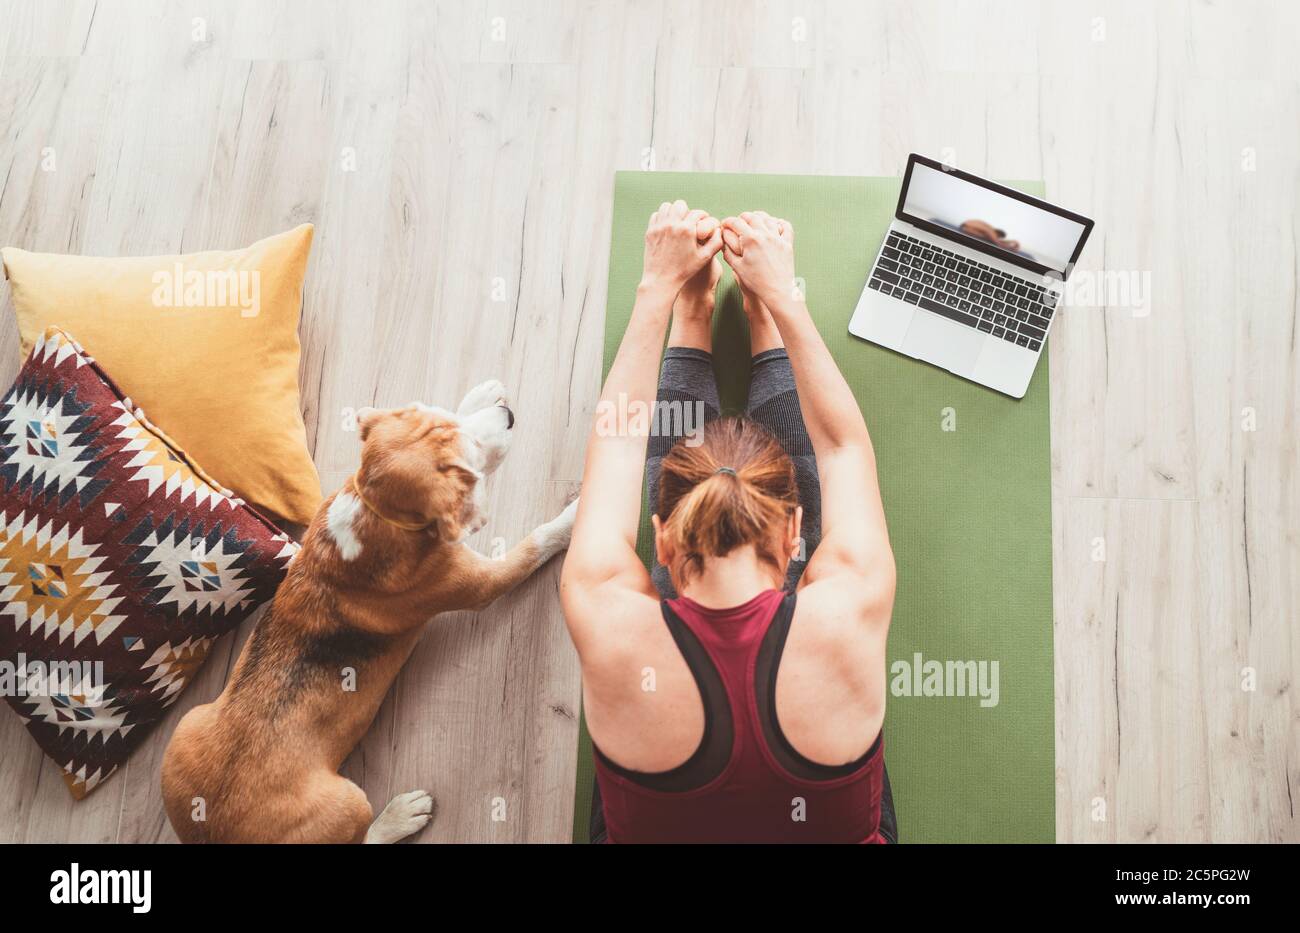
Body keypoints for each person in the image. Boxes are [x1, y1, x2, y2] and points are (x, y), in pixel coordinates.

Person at [561, 200, 897, 843]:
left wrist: (660, 290)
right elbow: (841, 447)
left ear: (660, 539)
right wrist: (783, 298)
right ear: (795, 539)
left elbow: (621, 441)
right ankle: (761, 320)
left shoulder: (611, 619)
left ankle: (695, 316)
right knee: (815, 524)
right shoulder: (847, 604)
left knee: (692, 594)